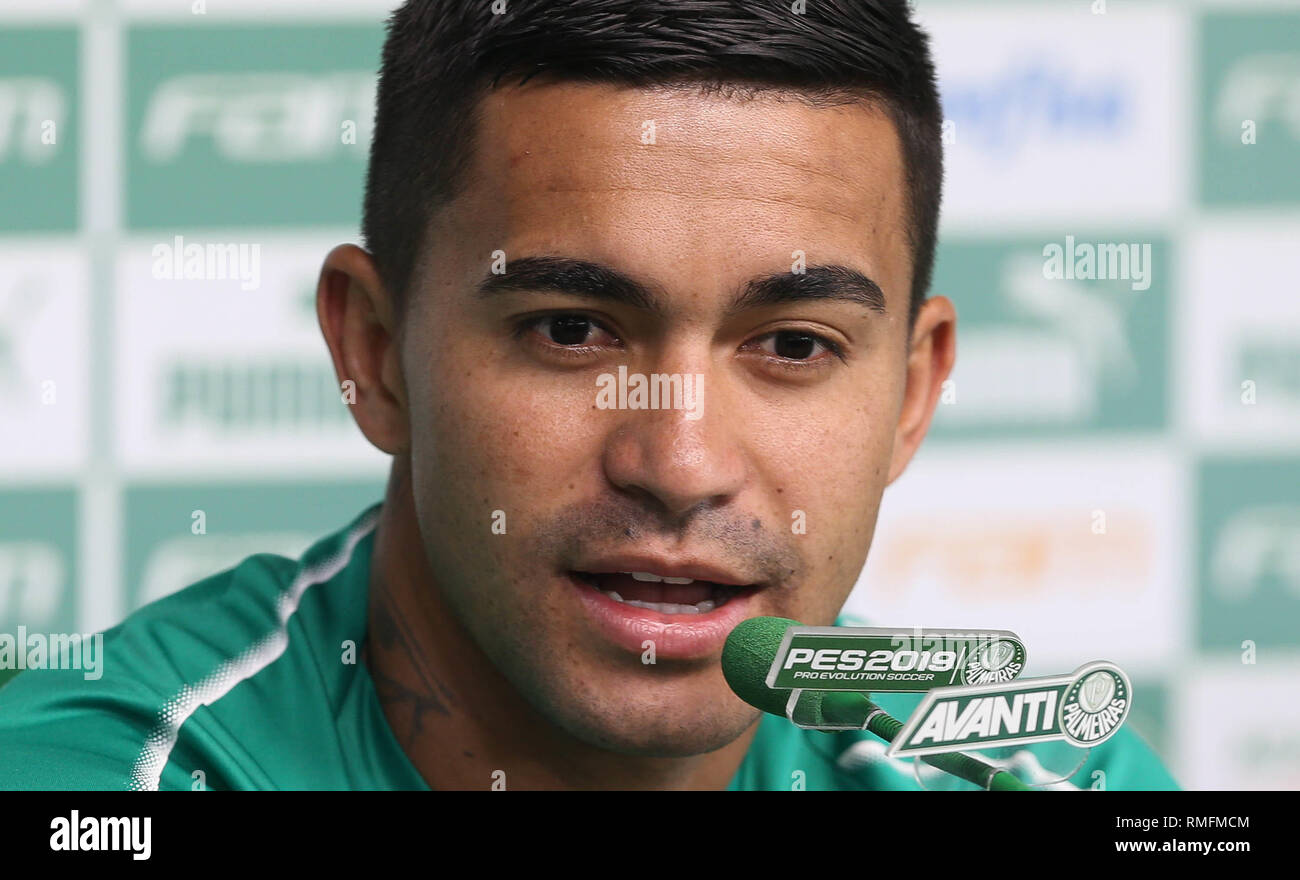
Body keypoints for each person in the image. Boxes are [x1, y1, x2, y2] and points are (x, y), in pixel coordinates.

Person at [0, 0, 1176, 790]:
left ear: (911, 393)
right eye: (571, 329)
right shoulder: (104, 779)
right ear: (374, 350)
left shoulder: (1047, 769)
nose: (678, 460)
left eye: (795, 345)